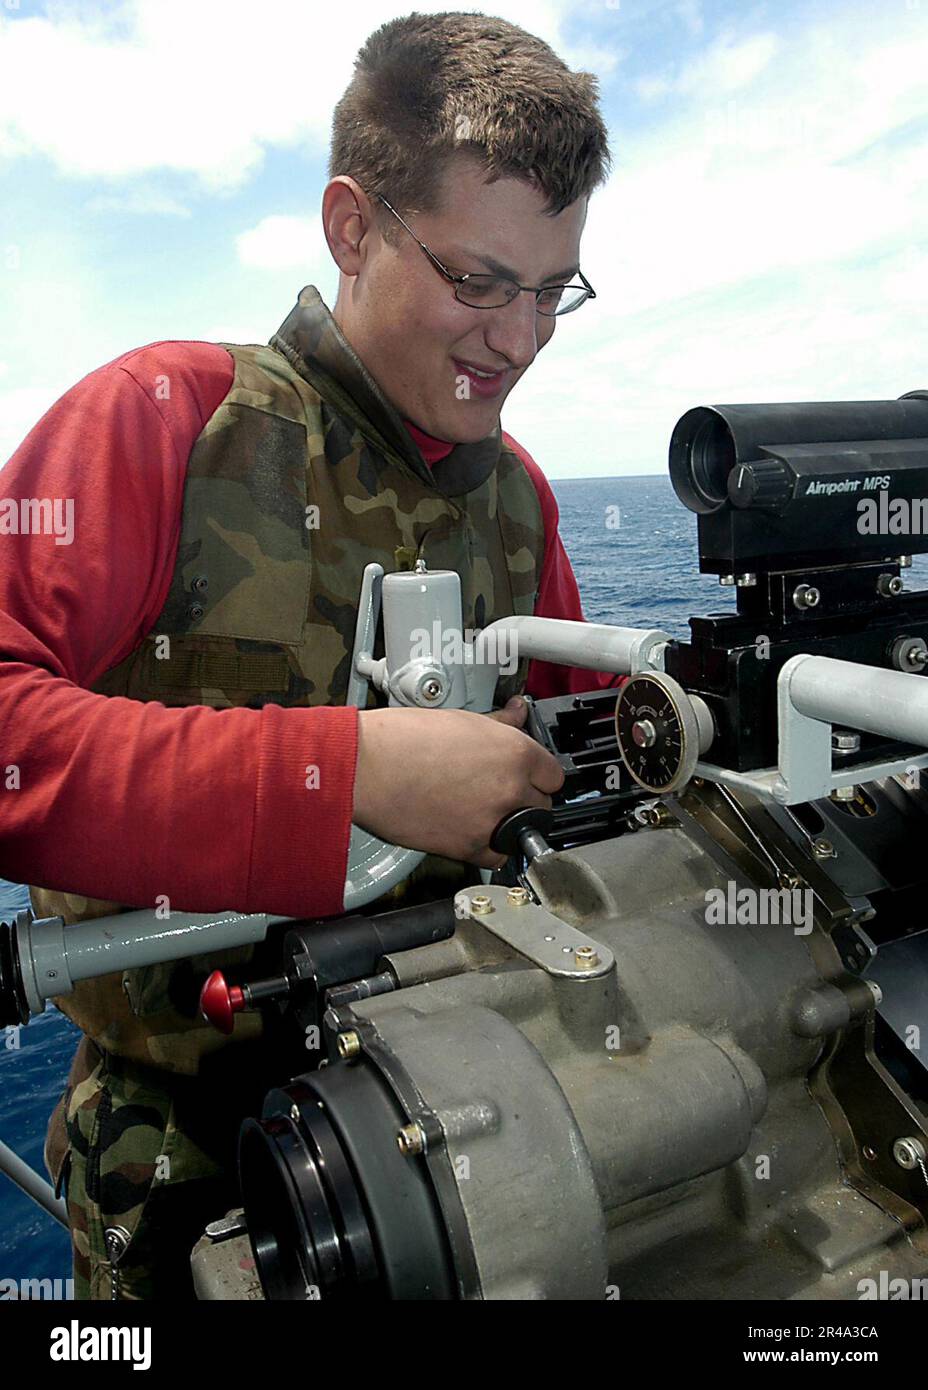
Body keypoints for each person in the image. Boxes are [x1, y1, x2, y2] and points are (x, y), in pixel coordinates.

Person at [0, 11, 618, 1297]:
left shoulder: (525, 503)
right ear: (353, 227)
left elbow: (602, 772)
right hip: (185, 1162)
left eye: (550, 289)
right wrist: (342, 777)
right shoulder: (162, 422)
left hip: (462, 1136)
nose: (519, 339)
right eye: (478, 280)